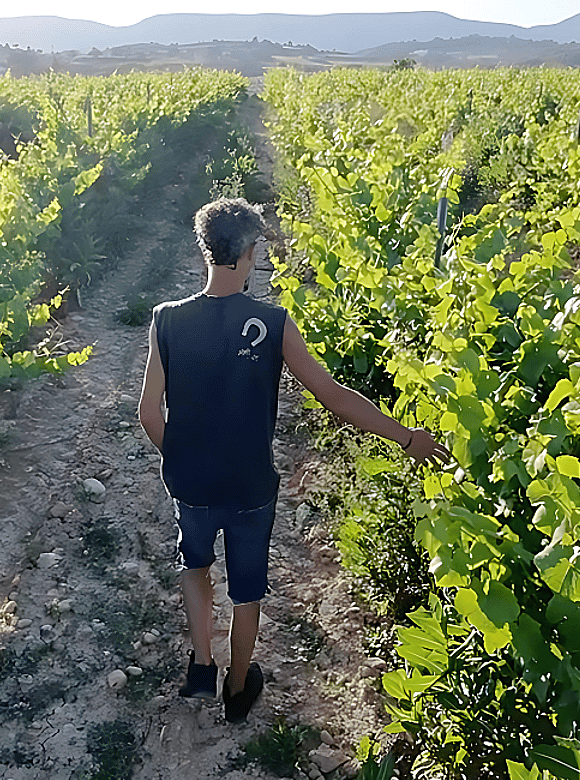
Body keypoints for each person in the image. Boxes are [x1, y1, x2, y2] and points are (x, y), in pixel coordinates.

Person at [137, 198, 449, 723]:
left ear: (206, 251)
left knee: (194, 566)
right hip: (250, 486)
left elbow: (149, 412)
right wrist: (405, 437)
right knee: (247, 589)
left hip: (189, 483)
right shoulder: (272, 322)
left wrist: (185, 458)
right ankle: (237, 688)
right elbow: (333, 395)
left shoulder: (166, 320)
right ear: (250, 254)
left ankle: (200, 664)